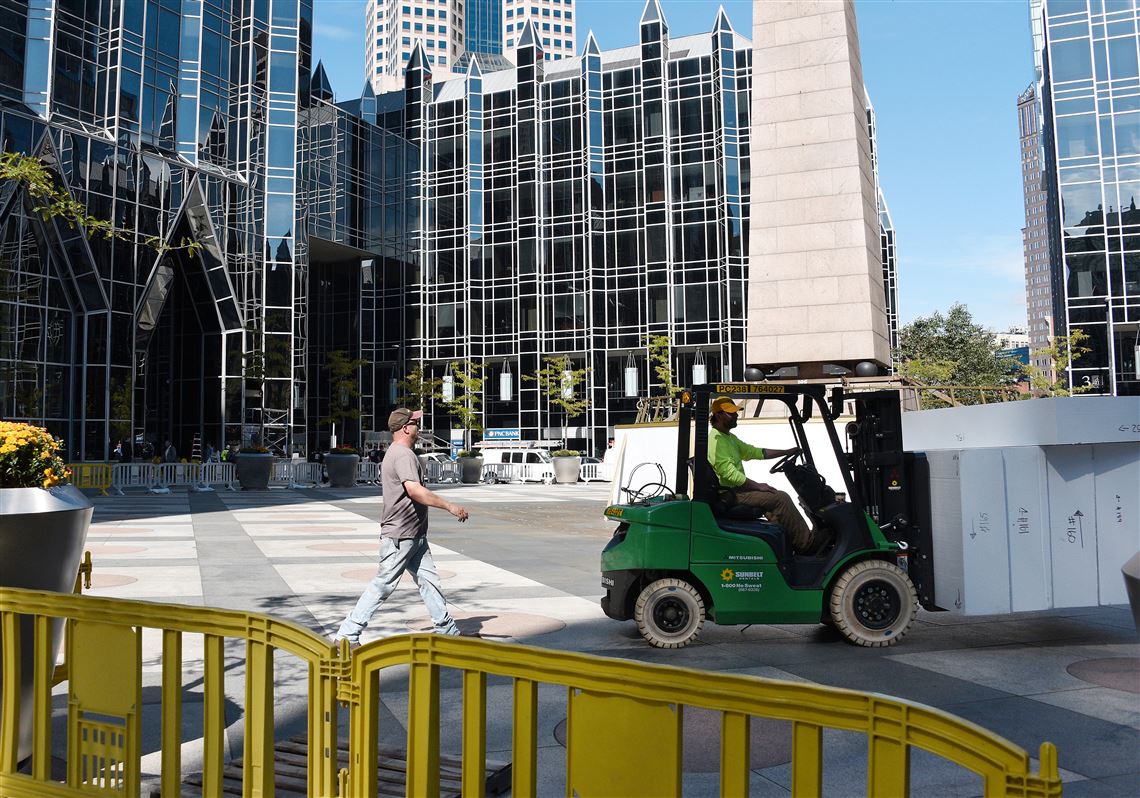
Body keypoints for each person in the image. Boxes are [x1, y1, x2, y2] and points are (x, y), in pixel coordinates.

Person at [333, 407, 471, 646]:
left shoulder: (396, 452)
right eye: (416, 423)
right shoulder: (404, 455)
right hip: (401, 536)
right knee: (383, 585)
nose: (419, 427)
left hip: (413, 534)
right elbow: (414, 490)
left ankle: (447, 632)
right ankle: (347, 635)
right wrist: (449, 506)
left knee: (430, 582)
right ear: (406, 428)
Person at [707, 396, 821, 555]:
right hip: (730, 494)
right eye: (730, 413)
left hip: (737, 491)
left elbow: (754, 452)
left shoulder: (729, 438)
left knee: (773, 503)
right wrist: (759, 486)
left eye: (735, 412)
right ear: (718, 415)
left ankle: (788, 547)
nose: (736, 415)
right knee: (780, 498)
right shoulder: (716, 441)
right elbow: (730, 475)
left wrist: (786, 452)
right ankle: (807, 544)